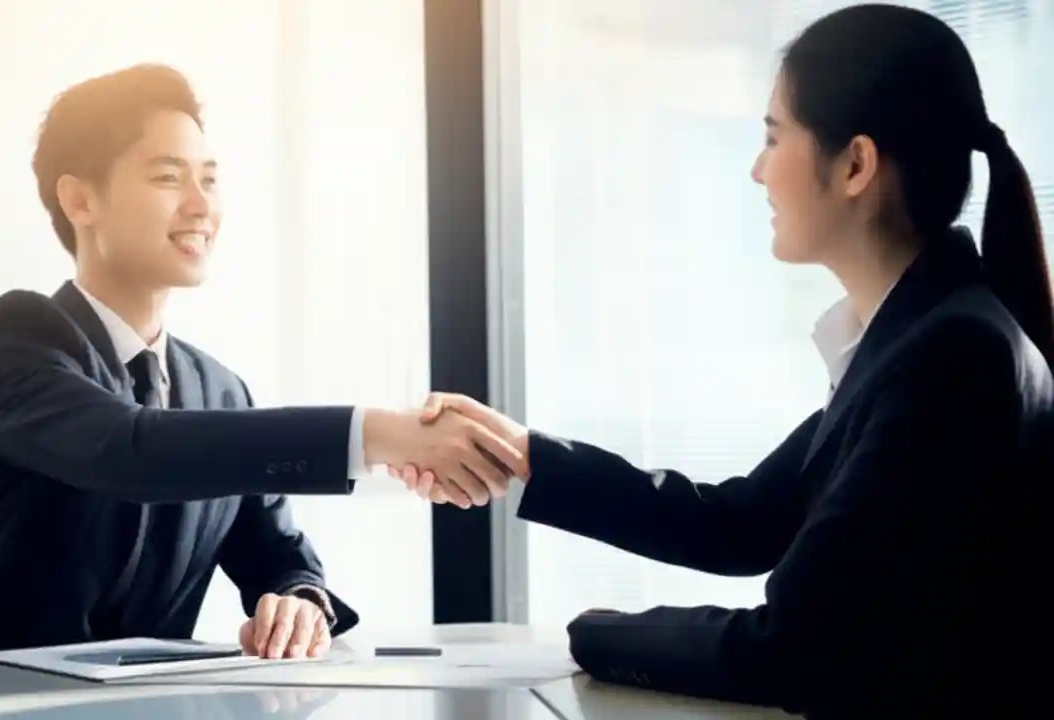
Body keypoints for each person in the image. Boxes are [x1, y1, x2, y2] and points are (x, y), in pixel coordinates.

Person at [397, 4, 1053, 716]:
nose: (757, 170)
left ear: (855, 164)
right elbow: (740, 522)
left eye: (773, 138)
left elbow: (792, 647)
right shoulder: (924, 338)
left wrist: (596, 635)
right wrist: (525, 455)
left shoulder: (951, 356)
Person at [0, 64, 522, 659]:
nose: (201, 206)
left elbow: (277, 554)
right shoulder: (18, 338)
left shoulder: (219, 390)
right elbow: (131, 449)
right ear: (80, 200)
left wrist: (299, 602)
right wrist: (378, 433)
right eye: (168, 178)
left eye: (210, 180)